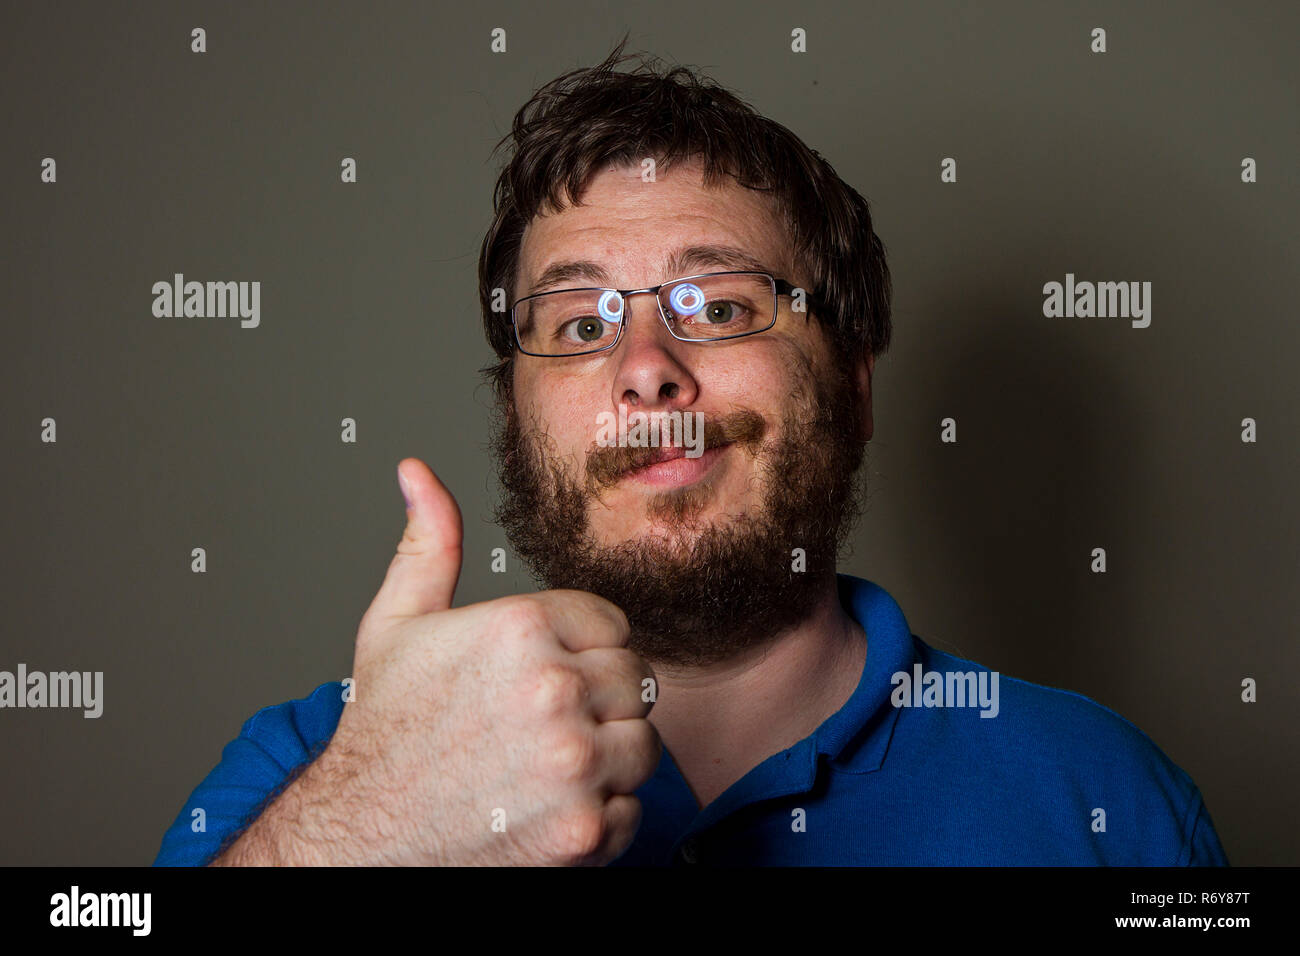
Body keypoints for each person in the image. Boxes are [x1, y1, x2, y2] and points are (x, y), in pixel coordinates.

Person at [154, 39, 1227, 866]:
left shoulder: (1108, 800)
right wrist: (367, 830)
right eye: (578, 325)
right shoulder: (311, 771)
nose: (645, 367)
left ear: (851, 390)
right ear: (515, 413)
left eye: (717, 305)